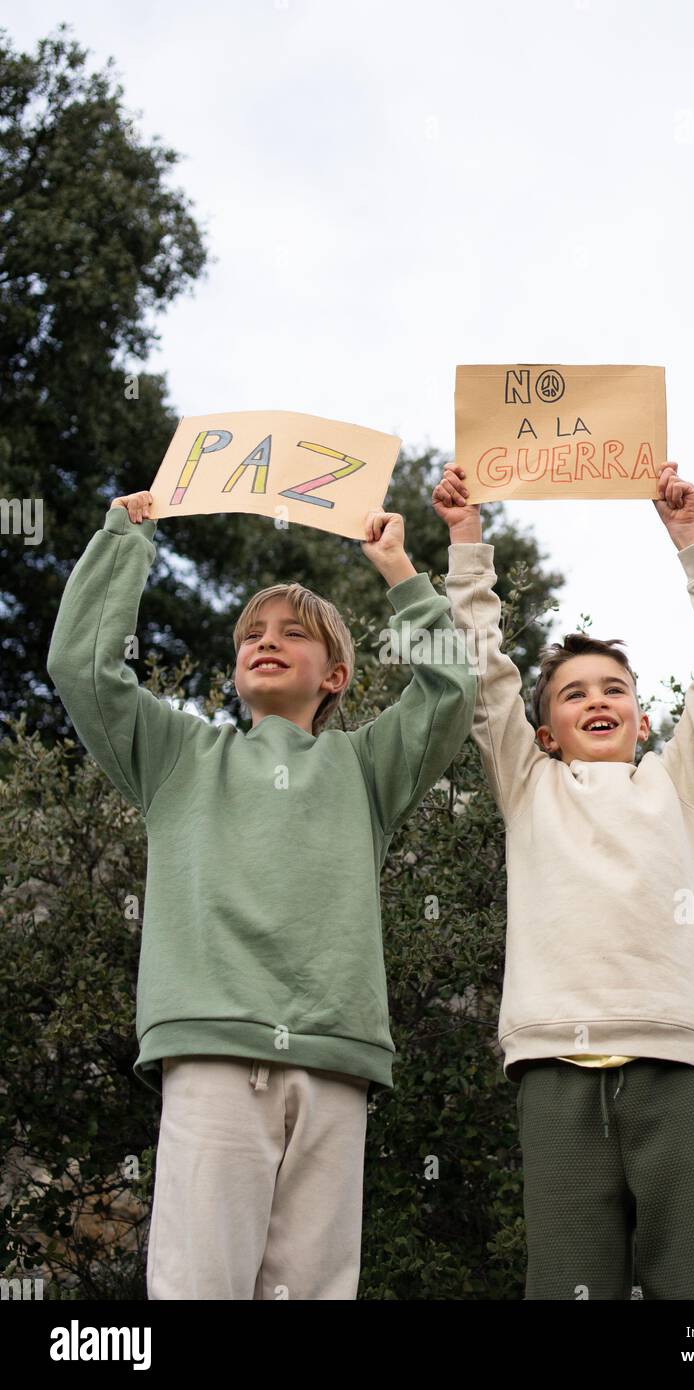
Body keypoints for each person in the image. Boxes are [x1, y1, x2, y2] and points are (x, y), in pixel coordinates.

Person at [46, 489, 478, 1299]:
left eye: (291, 634)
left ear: (337, 675)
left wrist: (398, 571)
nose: (265, 642)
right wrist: (125, 540)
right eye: (250, 634)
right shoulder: (176, 754)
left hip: (336, 1061)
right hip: (212, 1053)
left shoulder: (366, 767)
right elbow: (82, 669)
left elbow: (450, 694)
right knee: (199, 1285)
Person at [433, 461, 694, 1299]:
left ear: (645, 718)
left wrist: (691, 541)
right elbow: (482, 670)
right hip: (555, 1069)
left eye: (614, 687)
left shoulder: (681, 778)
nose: (596, 699)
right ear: (544, 731)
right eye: (573, 694)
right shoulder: (528, 783)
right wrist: (466, 543)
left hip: (678, 1062)